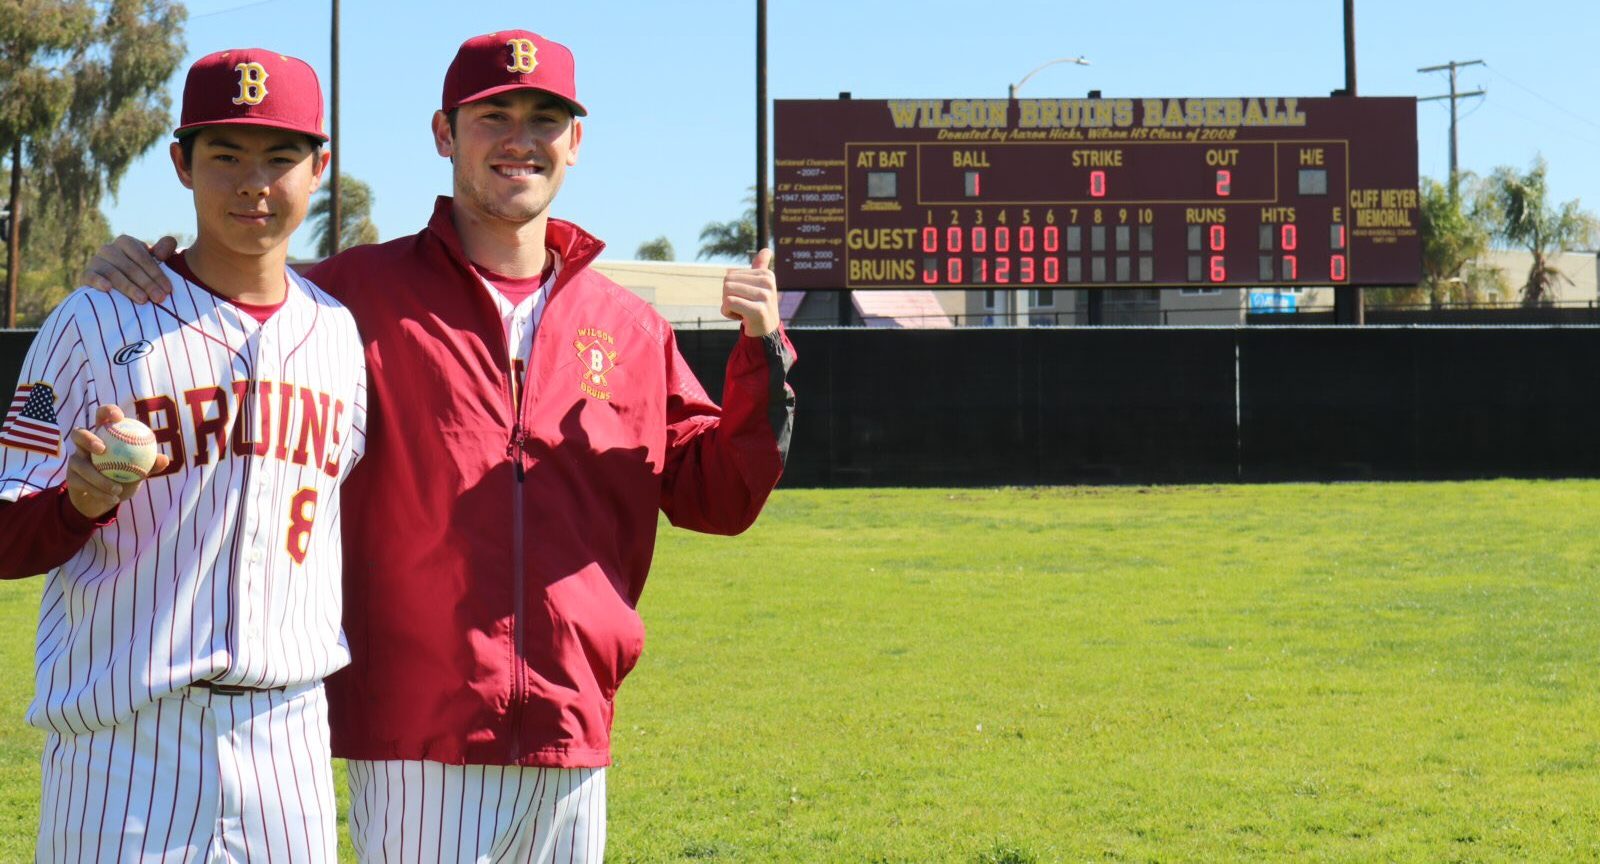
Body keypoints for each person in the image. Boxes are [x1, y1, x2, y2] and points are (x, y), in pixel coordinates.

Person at [83, 28, 795, 863]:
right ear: (443, 134)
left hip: (575, 729)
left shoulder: (627, 327)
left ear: (577, 140)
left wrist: (763, 352)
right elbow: (236, 303)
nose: (520, 138)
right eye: (494, 115)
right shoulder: (349, 298)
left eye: (545, 116)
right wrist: (149, 276)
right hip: (418, 733)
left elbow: (719, 498)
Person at [2, 48, 366, 861]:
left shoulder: (338, 336)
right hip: (122, 742)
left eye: (280, 157)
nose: (253, 183)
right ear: (181, 163)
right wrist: (77, 507)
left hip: (288, 741)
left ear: (320, 168)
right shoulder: (93, 323)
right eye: (225, 154)